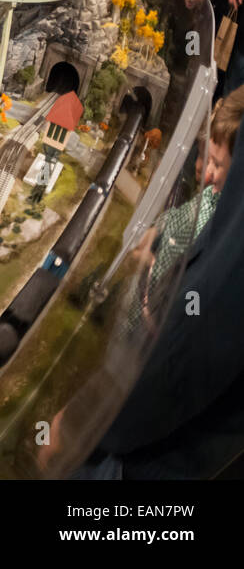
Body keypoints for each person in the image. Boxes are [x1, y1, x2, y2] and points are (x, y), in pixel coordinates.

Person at [74, 86, 244, 478]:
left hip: (140, 365)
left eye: (219, 165)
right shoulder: (215, 209)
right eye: (207, 159)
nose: (208, 174)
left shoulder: (217, 221)